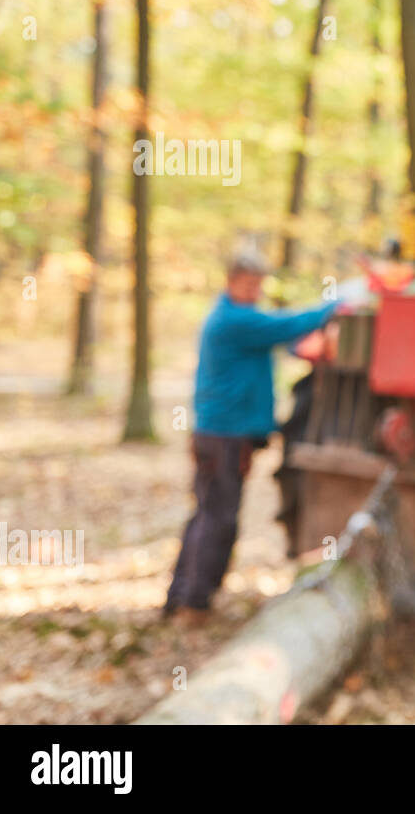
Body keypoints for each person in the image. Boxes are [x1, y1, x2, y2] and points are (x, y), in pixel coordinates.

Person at [163, 250, 338, 626]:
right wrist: (336, 306)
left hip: (222, 433)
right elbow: (287, 326)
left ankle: (182, 597)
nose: (255, 291)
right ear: (231, 281)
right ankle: (193, 603)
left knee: (208, 513)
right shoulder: (233, 321)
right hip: (224, 436)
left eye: (259, 285)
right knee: (218, 518)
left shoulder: (233, 318)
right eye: (249, 284)